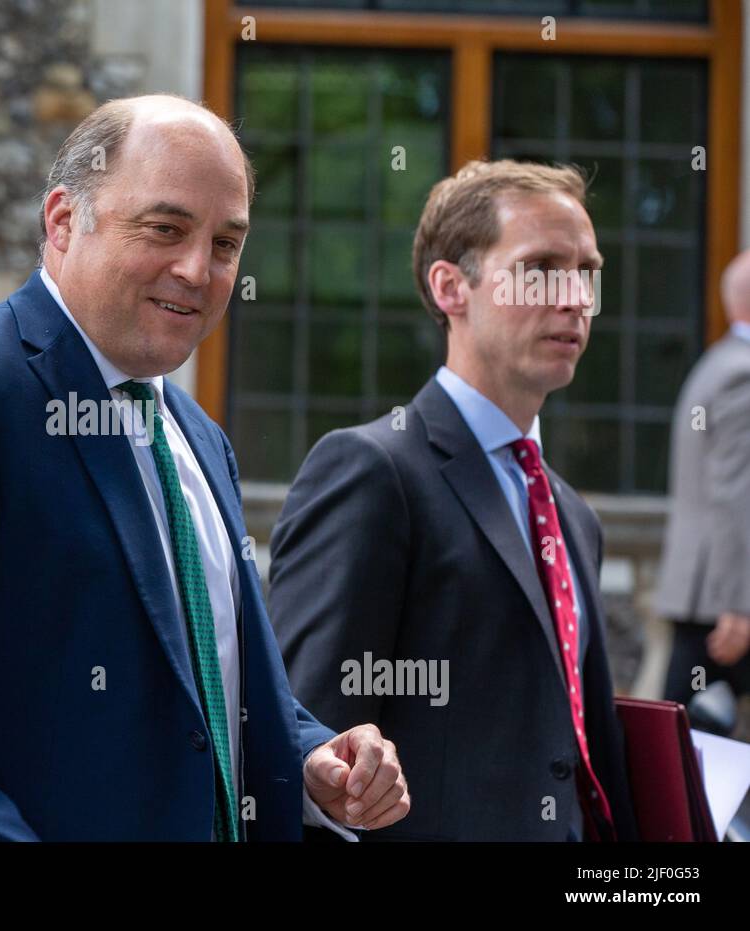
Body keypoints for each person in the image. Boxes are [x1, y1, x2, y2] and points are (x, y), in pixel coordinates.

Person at [0, 95, 409, 840]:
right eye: (165, 228)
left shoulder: (196, 435)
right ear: (63, 221)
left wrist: (314, 755)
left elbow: (204, 681)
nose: (197, 269)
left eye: (225, 244)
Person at [269, 160, 637, 841]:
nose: (575, 297)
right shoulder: (372, 471)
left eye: (588, 271)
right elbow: (306, 744)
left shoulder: (571, 515)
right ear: (450, 287)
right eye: (542, 267)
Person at [656, 248, 750, 708]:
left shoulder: (720, 361)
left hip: (705, 593)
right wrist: (741, 604)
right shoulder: (743, 374)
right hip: (722, 604)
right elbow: (736, 493)